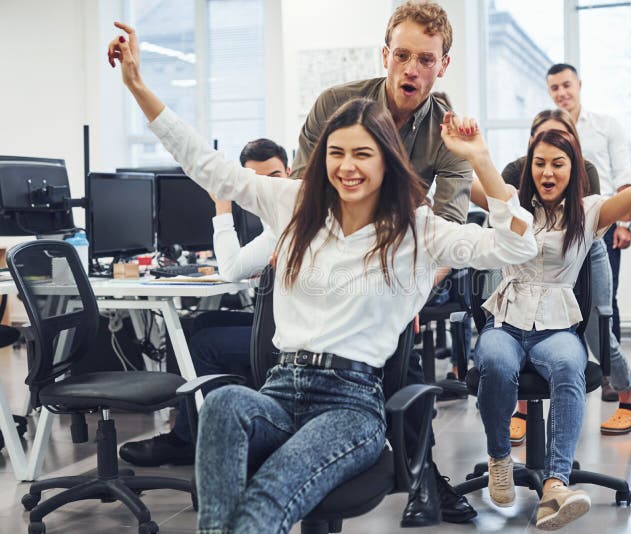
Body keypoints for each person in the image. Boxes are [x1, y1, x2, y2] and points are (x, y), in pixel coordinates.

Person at [109, 21, 537, 533]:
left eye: (362, 154)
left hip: (350, 404)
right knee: (222, 405)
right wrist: (137, 85)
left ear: (387, 161)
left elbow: (517, 244)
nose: (347, 167)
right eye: (337, 153)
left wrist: (481, 160)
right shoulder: (294, 205)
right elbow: (206, 165)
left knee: (268, 493)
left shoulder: (416, 230)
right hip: (278, 389)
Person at [473, 96, 631, 530]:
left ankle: (556, 485)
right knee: (492, 359)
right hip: (505, 323)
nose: (547, 172)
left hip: (556, 328)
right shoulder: (511, 203)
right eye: (540, 163)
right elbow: (466, 175)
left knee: (570, 363)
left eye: (558, 164)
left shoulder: (589, 213)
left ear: (574, 169)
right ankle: (499, 459)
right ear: (529, 167)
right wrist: (455, 146)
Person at [290, 2, 478, 525]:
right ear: (385, 54)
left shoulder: (449, 133)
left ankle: (420, 476)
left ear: (444, 64)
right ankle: (417, 476)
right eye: (402, 55)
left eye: (425, 58)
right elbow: (300, 198)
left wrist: (409, 291)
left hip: (398, 271)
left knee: (400, 354)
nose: (411, 69)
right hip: (325, 258)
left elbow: (449, 232)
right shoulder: (336, 105)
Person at [476, 109, 631, 443]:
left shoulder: (587, 174)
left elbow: (597, 219)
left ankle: (628, 397)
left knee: (598, 331)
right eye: (543, 147)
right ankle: (523, 410)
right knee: (515, 320)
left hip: (579, 245)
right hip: (525, 247)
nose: (548, 168)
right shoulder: (516, 170)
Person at [119, 138, 289, 467]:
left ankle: (211, 441)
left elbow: (231, 269)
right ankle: (191, 430)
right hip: (284, 321)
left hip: (295, 335)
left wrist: (222, 208)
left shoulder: (286, 215)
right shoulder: (274, 220)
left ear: (290, 173)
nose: (266, 187)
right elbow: (239, 268)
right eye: (256, 180)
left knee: (206, 344)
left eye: (275, 176)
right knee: (203, 324)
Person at [547, 63, 631, 368]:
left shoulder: (605, 126)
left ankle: (611, 371)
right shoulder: (548, 131)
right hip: (563, 227)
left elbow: (624, 177)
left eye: (566, 85)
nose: (562, 93)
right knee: (565, 297)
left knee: (604, 302)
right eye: (555, 88)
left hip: (604, 223)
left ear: (579, 85)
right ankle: (574, 366)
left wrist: (625, 222)